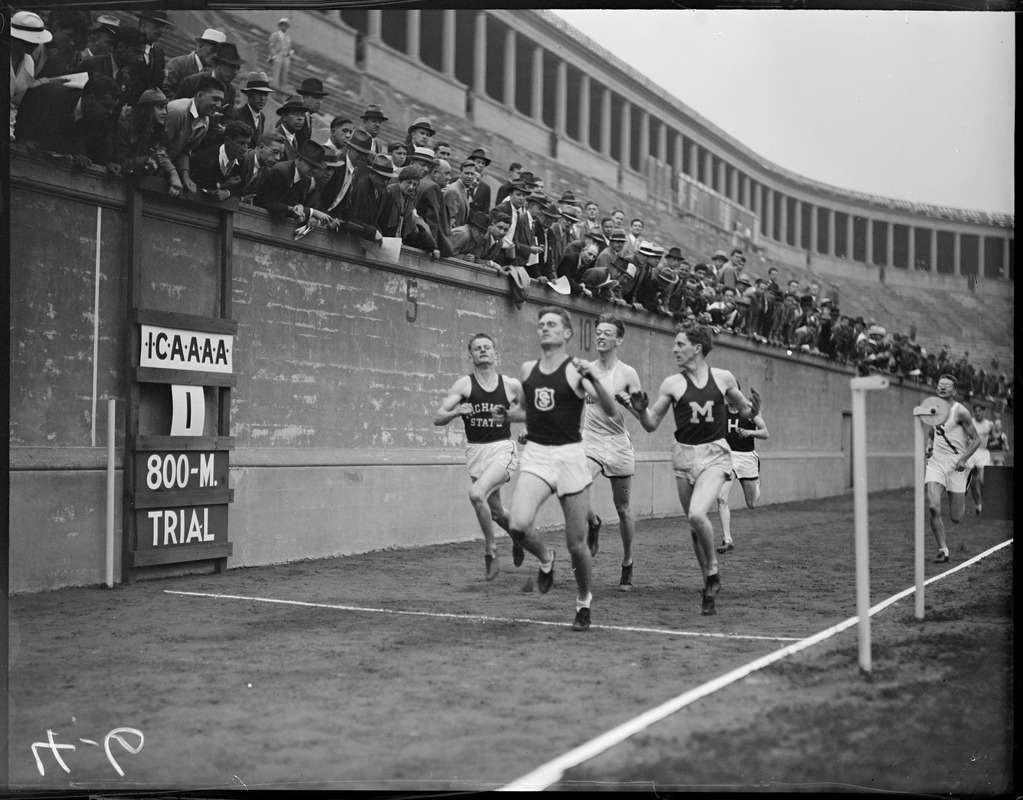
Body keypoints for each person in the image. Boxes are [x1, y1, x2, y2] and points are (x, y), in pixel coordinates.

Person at [494, 308, 619, 632]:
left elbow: (611, 409)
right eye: (541, 325)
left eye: (552, 325)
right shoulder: (527, 369)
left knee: (576, 544)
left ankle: (583, 602)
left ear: (567, 334)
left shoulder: (578, 370)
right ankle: (546, 558)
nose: (545, 329)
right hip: (537, 453)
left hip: (570, 456)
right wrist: (506, 416)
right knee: (518, 526)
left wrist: (593, 379)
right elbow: (526, 410)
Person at [622, 325, 760, 615]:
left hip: (715, 454)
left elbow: (744, 410)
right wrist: (637, 409)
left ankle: (712, 572)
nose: (674, 350)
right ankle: (708, 589)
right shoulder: (672, 384)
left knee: (698, 514)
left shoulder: (723, 378)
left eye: (680, 344)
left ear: (697, 348)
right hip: (683, 456)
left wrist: (754, 410)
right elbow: (651, 424)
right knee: (696, 529)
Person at [433, 334, 524, 581]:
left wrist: (513, 418)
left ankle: (491, 550)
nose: (482, 351)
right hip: (476, 452)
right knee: (495, 512)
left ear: (495, 354)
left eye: (487, 348)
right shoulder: (464, 385)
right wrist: (454, 413)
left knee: (476, 494)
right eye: (477, 348)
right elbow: (438, 416)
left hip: (502, 449)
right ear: (470, 355)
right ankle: (518, 537)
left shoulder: (510, 385)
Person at [580, 315, 643, 591]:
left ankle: (627, 564)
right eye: (598, 332)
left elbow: (640, 412)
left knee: (623, 509)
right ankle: (593, 522)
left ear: (619, 339)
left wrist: (634, 404)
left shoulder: (627, 374)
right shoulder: (585, 369)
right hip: (591, 441)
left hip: (618, 443)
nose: (601, 336)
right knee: (574, 486)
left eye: (607, 333)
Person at [924, 375, 982, 563]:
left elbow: (976, 440)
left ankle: (964, 486)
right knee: (933, 507)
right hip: (936, 463)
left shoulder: (960, 412)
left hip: (957, 464)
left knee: (956, 517)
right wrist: (929, 445)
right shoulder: (933, 408)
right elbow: (932, 432)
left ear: (954, 391)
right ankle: (943, 550)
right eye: (940, 385)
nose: (942, 388)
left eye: (947, 386)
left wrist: (964, 459)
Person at [715, 382, 768, 554]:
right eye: (725, 393)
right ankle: (727, 539)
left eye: (730, 393)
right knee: (721, 497)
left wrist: (750, 433)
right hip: (728, 458)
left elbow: (765, 432)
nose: (727, 396)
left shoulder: (748, 410)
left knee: (751, 503)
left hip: (747, 457)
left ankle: (757, 484)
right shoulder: (720, 411)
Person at [966, 402, 994, 515]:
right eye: (975, 411)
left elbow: (995, 437)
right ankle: (978, 506)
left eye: (980, 411)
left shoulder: (989, 424)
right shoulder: (970, 422)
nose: (977, 413)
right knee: (972, 483)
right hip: (971, 453)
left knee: (982, 480)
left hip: (983, 454)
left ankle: (987, 503)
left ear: (984, 412)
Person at [267, 18, 294, 92]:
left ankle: (282, 87)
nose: (284, 27)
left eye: (286, 26)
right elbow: (271, 46)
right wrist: (274, 55)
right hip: (277, 55)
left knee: (285, 69)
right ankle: (275, 85)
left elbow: (288, 48)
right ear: (280, 26)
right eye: (283, 25)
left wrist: (289, 53)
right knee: (277, 67)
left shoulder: (287, 38)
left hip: (285, 56)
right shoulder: (275, 35)